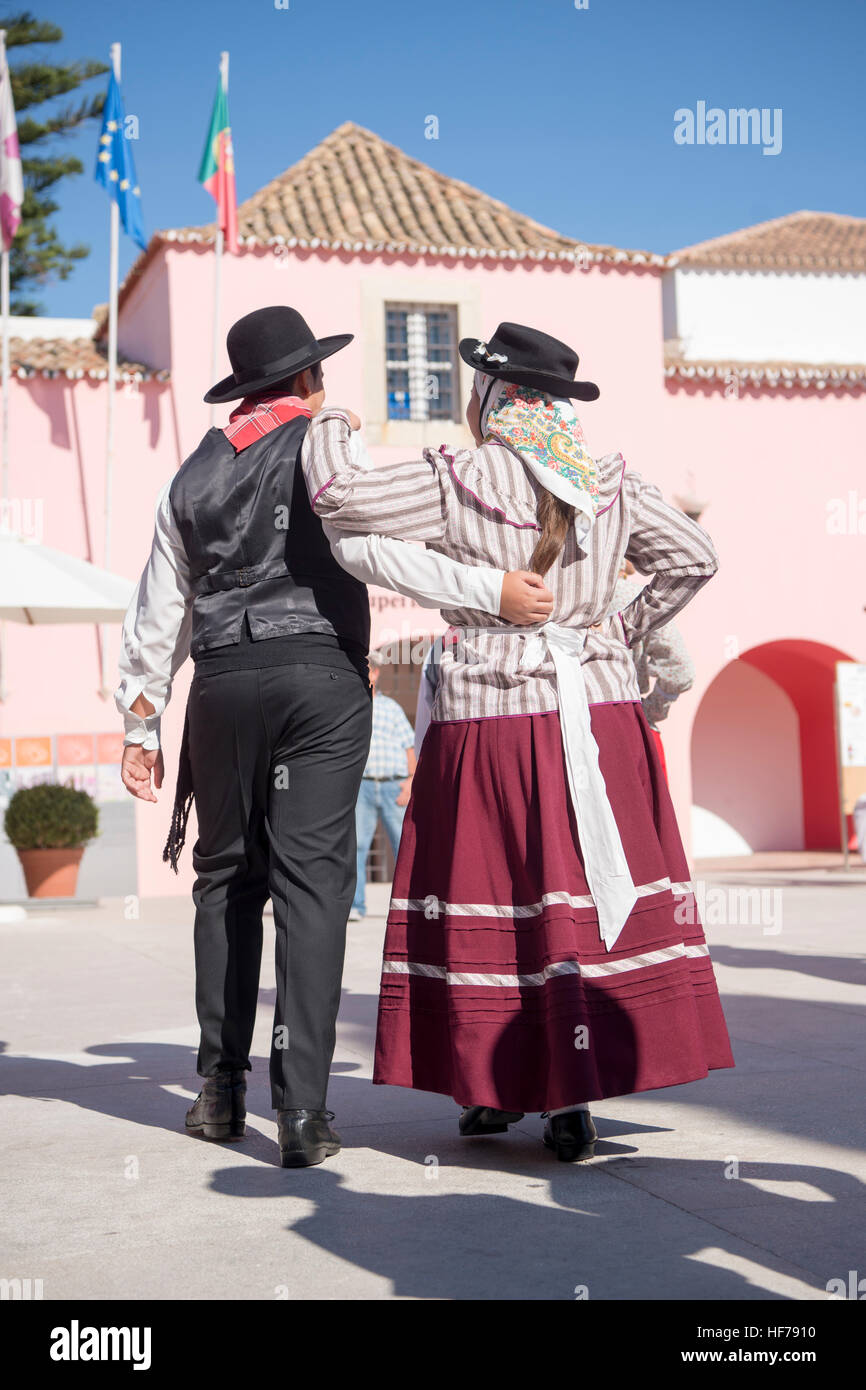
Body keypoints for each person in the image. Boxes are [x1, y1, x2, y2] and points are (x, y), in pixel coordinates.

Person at [116, 306, 555, 1168]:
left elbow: (157, 610)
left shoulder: (188, 478)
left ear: (244, 392)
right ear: (308, 380)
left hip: (221, 685)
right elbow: (371, 551)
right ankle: (304, 1113)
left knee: (225, 883)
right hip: (318, 676)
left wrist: (141, 722)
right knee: (312, 887)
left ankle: (217, 1094)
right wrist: (485, 586)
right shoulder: (330, 443)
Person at [301, 320, 734, 1162]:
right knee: (570, 892)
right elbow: (696, 557)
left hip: (491, 718)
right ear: (558, 407)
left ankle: (495, 1093)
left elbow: (338, 501)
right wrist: (617, 631)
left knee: (497, 896)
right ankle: (574, 1097)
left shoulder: (460, 475)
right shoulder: (611, 480)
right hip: (599, 716)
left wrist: (328, 424)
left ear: (491, 399)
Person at [607, 559, 696, 779]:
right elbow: (681, 669)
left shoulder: (564, 600)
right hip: (632, 725)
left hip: (572, 731)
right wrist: (651, 710)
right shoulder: (638, 598)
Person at [350, 651, 415, 920]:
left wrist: (410, 783)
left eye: (370, 670)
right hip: (362, 788)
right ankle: (356, 905)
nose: (366, 674)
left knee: (404, 847)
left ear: (376, 673)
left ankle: (410, 908)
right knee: (356, 846)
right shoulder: (350, 708)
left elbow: (409, 748)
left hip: (393, 787)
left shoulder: (391, 708)